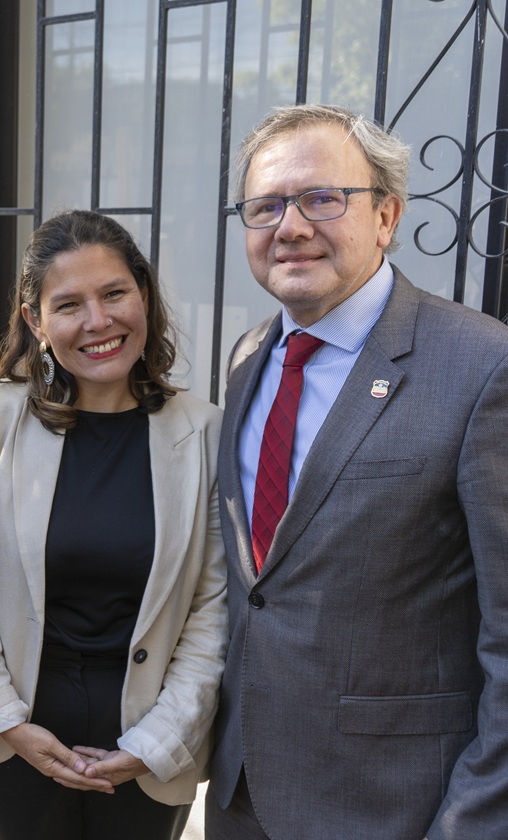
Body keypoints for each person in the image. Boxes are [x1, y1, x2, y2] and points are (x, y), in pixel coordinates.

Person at [207, 103, 508, 839]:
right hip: (242, 797)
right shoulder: (249, 359)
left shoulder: (481, 367)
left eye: (322, 198)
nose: (292, 225)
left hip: (397, 810)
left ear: (387, 216)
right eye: (266, 205)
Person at [0, 209, 228, 839]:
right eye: (69, 304)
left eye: (115, 293)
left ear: (143, 296)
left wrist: (158, 740)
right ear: (36, 322)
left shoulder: (203, 433)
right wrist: (6, 721)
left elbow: (213, 606)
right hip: (17, 742)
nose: (98, 321)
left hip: (145, 752)